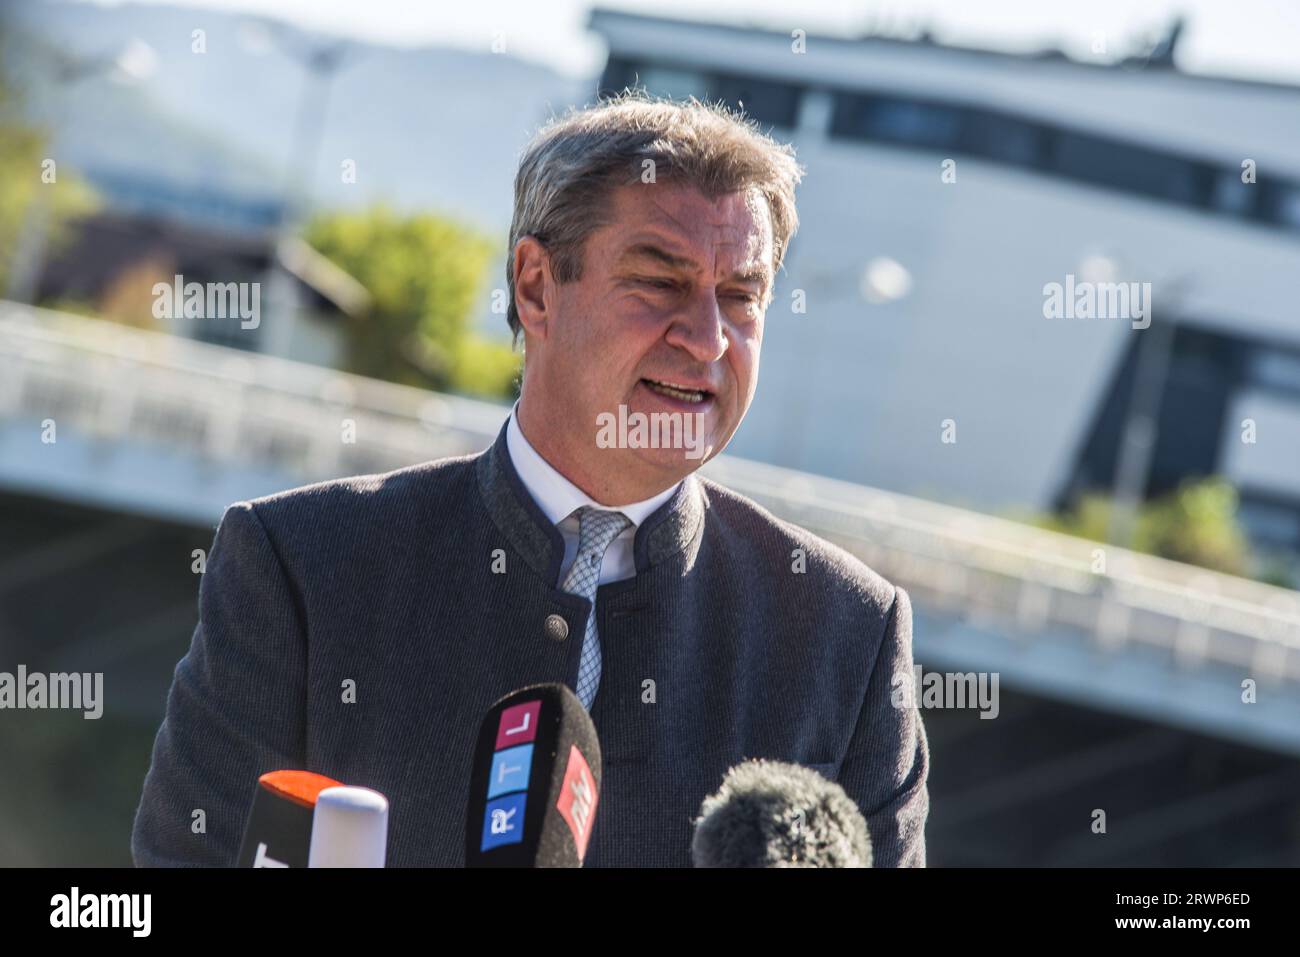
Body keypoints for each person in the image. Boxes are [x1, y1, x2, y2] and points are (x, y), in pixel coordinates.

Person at [131, 91, 929, 867]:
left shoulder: (847, 633)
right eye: (661, 281)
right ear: (536, 287)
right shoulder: (301, 562)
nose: (708, 338)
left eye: (740, 296)